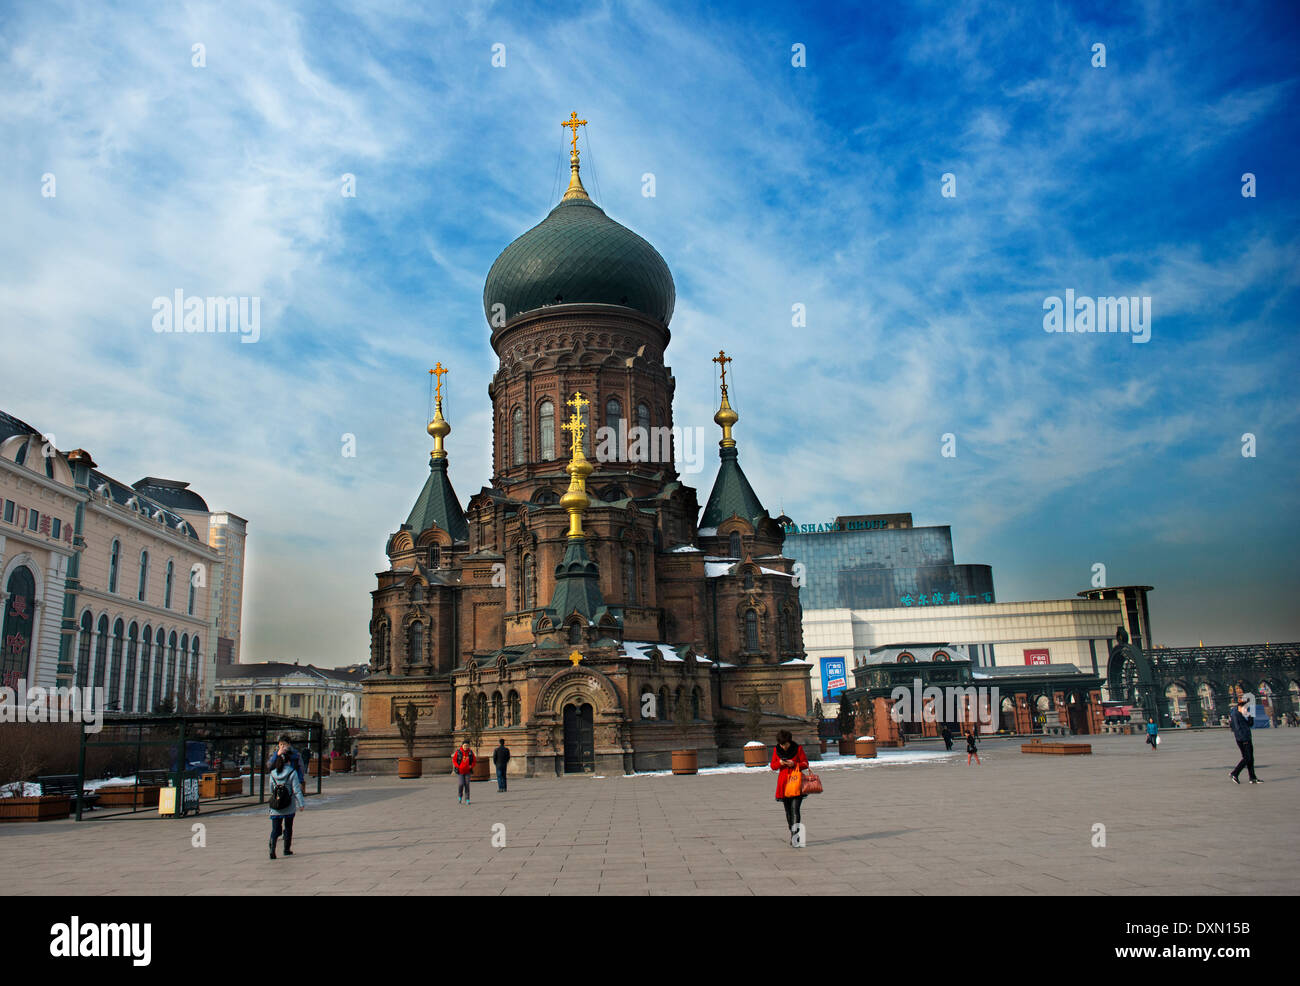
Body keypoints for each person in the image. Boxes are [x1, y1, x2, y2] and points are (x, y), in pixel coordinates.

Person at [770, 730, 809, 848]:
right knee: (788, 811)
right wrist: (780, 763)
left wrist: (795, 764)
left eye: (785, 744)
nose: (783, 746)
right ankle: (792, 830)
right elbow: (773, 766)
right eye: (781, 744)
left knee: (795, 809)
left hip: (797, 783)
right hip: (784, 785)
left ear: (789, 742)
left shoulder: (798, 749)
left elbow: (805, 763)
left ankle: (795, 835)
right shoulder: (777, 750)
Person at [268, 753, 305, 860]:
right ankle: (286, 849)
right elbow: (296, 790)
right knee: (288, 827)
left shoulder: (273, 773)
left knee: (275, 829)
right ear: (288, 762)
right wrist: (301, 804)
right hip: (289, 804)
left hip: (276, 805)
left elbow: (271, 790)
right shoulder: (292, 772)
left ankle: (272, 848)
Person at [1229, 697, 1260, 784]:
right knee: (1247, 757)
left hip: (1247, 738)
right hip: (1243, 739)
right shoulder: (1235, 715)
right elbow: (1237, 728)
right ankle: (1234, 773)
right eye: (1245, 708)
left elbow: (1250, 724)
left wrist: (1250, 716)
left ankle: (1252, 777)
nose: (1246, 709)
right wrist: (1244, 740)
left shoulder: (1241, 714)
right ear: (1240, 707)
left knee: (1250, 758)